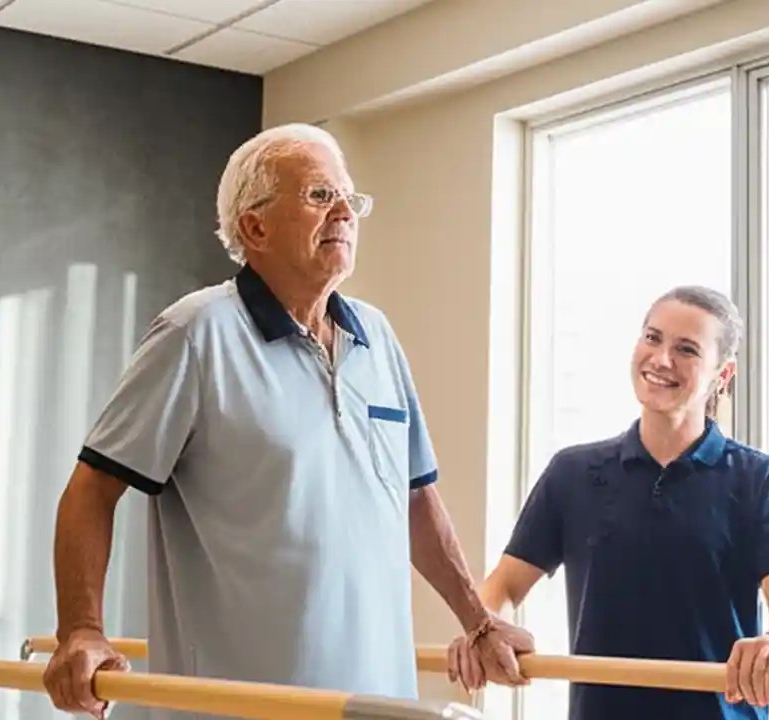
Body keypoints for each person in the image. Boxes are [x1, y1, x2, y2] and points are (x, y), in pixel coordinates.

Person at [42, 123, 532, 719]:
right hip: (240, 706)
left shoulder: (376, 336)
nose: (344, 213)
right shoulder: (196, 334)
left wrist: (478, 622)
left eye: (350, 199)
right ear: (255, 227)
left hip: (376, 700)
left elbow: (414, 499)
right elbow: (91, 490)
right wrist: (81, 631)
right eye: (320, 196)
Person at [445, 286, 769, 719]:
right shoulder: (572, 473)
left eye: (687, 349)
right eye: (652, 338)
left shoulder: (757, 478)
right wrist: (483, 626)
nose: (661, 359)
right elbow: (504, 587)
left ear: (723, 374)